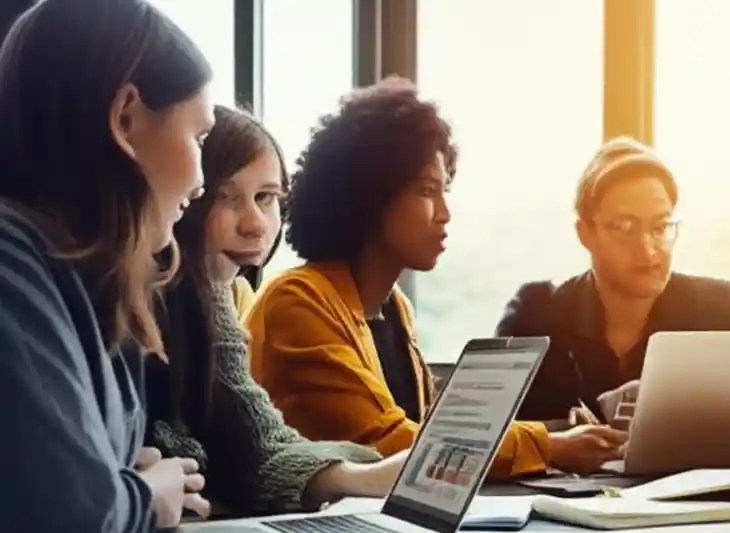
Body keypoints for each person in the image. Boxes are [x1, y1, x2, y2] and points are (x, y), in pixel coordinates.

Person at [245, 78, 624, 476]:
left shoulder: (394, 308)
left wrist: (559, 431)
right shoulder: (299, 301)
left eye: (444, 190)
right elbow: (393, 445)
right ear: (370, 196)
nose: (445, 212)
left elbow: (431, 432)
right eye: (427, 191)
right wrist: (549, 446)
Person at [0, 0, 213, 533]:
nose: (201, 179)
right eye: (198, 135)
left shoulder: (73, 273)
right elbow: (64, 519)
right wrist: (144, 497)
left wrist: (119, 485)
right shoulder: (10, 263)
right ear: (125, 120)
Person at [149, 105, 408, 517]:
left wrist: (371, 474)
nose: (255, 224)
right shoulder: (160, 294)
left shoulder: (219, 292)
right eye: (226, 197)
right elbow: (254, 449)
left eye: (266, 197)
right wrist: (370, 473)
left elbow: (251, 444)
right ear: (188, 193)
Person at [496, 137, 730, 423]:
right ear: (585, 234)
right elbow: (492, 439)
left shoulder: (721, 313)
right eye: (624, 228)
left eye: (660, 227)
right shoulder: (535, 316)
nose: (647, 249)